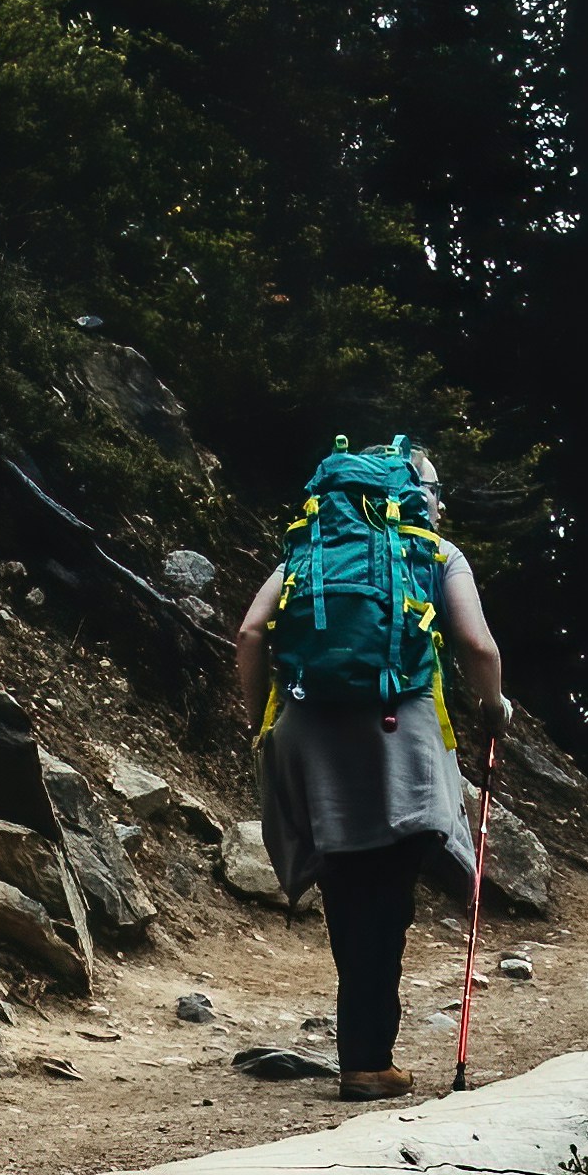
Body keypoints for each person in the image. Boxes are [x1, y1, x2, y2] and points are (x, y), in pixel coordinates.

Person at [224, 437, 512, 1102]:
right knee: (387, 896)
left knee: (347, 887)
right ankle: (365, 1059)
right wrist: (494, 707)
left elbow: (248, 635)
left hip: (306, 733)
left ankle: (363, 1049)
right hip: (395, 741)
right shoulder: (434, 553)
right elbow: (476, 644)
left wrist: (256, 724)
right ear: (415, 495)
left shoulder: (307, 552)